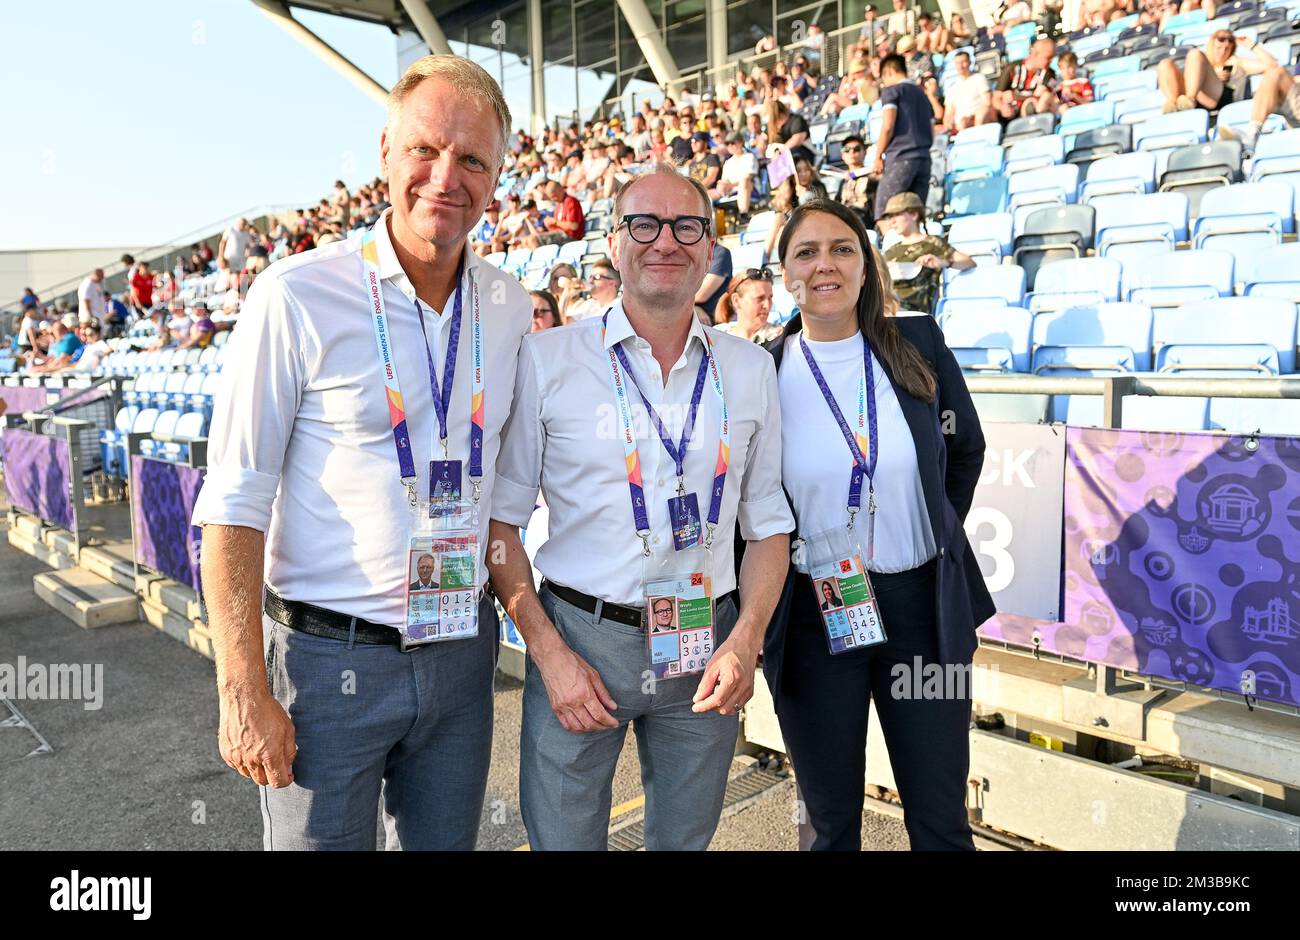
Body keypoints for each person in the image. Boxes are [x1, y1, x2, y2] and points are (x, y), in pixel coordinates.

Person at [191, 55, 532, 852]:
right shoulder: (296, 295)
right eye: (426, 148)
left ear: (496, 177)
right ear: (384, 151)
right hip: (324, 664)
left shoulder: (509, 305)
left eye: (473, 159)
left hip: (459, 650)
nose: (446, 176)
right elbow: (234, 500)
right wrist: (241, 686)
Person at [488, 165, 794, 851]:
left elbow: (769, 526)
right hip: (580, 641)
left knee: (684, 844)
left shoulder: (750, 370)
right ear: (616, 241)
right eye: (644, 225)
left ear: (709, 245)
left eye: (687, 227)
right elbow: (501, 524)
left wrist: (745, 642)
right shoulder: (547, 360)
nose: (666, 242)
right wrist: (547, 652)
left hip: (705, 644)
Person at [766, 198, 994, 851]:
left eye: (842, 248)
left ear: (865, 265)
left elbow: (965, 451)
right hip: (817, 613)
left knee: (940, 818)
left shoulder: (917, 342)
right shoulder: (764, 368)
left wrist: (931, 533)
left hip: (921, 609)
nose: (825, 265)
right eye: (805, 252)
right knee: (830, 820)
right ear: (786, 274)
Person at [879, 192, 975, 314]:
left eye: (897, 215)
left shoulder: (932, 243)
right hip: (887, 308)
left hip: (914, 311)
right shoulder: (891, 251)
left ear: (914, 214)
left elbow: (969, 262)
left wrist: (943, 262)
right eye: (890, 217)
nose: (892, 221)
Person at [1158, 31, 1273, 122]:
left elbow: (1271, 65)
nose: (1223, 52)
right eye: (1219, 48)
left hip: (1221, 98)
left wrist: (1251, 45)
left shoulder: (1234, 61)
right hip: (1201, 98)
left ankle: (1190, 100)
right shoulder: (1201, 64)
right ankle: (1173, 104)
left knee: (1194, 54)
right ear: (1211, 46)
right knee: (1165, 64)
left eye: (1227, 49)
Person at [873, 54, 934, 219]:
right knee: (914, 215)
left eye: (883, 78)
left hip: (901, 157)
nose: (883, 84)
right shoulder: (922, 95)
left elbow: (887, 126)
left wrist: (878, 156)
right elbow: (931, 127)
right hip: (924, 159)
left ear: (890, 71)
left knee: (884, 210)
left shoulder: (892, 91)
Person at [994, 38, 1058, 121]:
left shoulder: (1049, 74)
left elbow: (1040, 98)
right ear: (1035, 54)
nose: (1051, 61)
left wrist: (1016, 96)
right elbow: (996, 98)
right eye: (1048, 57)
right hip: (1010, 113)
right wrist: (1002, 108)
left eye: (1052, 57)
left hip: (1033, 113)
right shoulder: (1012, 68)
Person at [714, 267, 781, 344]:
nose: (767, 305)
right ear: (736, 301)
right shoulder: (718, 334)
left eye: (770, 298)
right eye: (760, 298)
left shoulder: (778, 337)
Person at [944, 51, 995, 131]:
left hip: (979, 118)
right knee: (961, 123)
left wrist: (971, 117)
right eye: (957, 63)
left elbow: (987, 103)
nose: (960, 66)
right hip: (961, 124)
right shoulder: (952, 88)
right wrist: (949, 123)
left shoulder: (979, 78)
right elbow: (948, 113)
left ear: (970, 62)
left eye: (963, 62)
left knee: (981, 113)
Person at [713, 132, 758, 218]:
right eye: (727, 144)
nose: (730, 146)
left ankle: (743, 214)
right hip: (731, 191)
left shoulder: (749, 157)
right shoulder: (728, 162)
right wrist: (723, 184)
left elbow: (748, 177)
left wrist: (730, 185)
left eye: (732, 143)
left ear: (741, 142)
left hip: (750, 190)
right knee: (719, 185)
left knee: (744, 181)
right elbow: (725, 180)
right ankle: (713, 222)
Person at [694, 241, 733, 323]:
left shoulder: (720, 253)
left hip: (711, 318)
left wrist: (690, 308)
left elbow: (701, 295)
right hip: (690, 310)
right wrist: (693, 308)